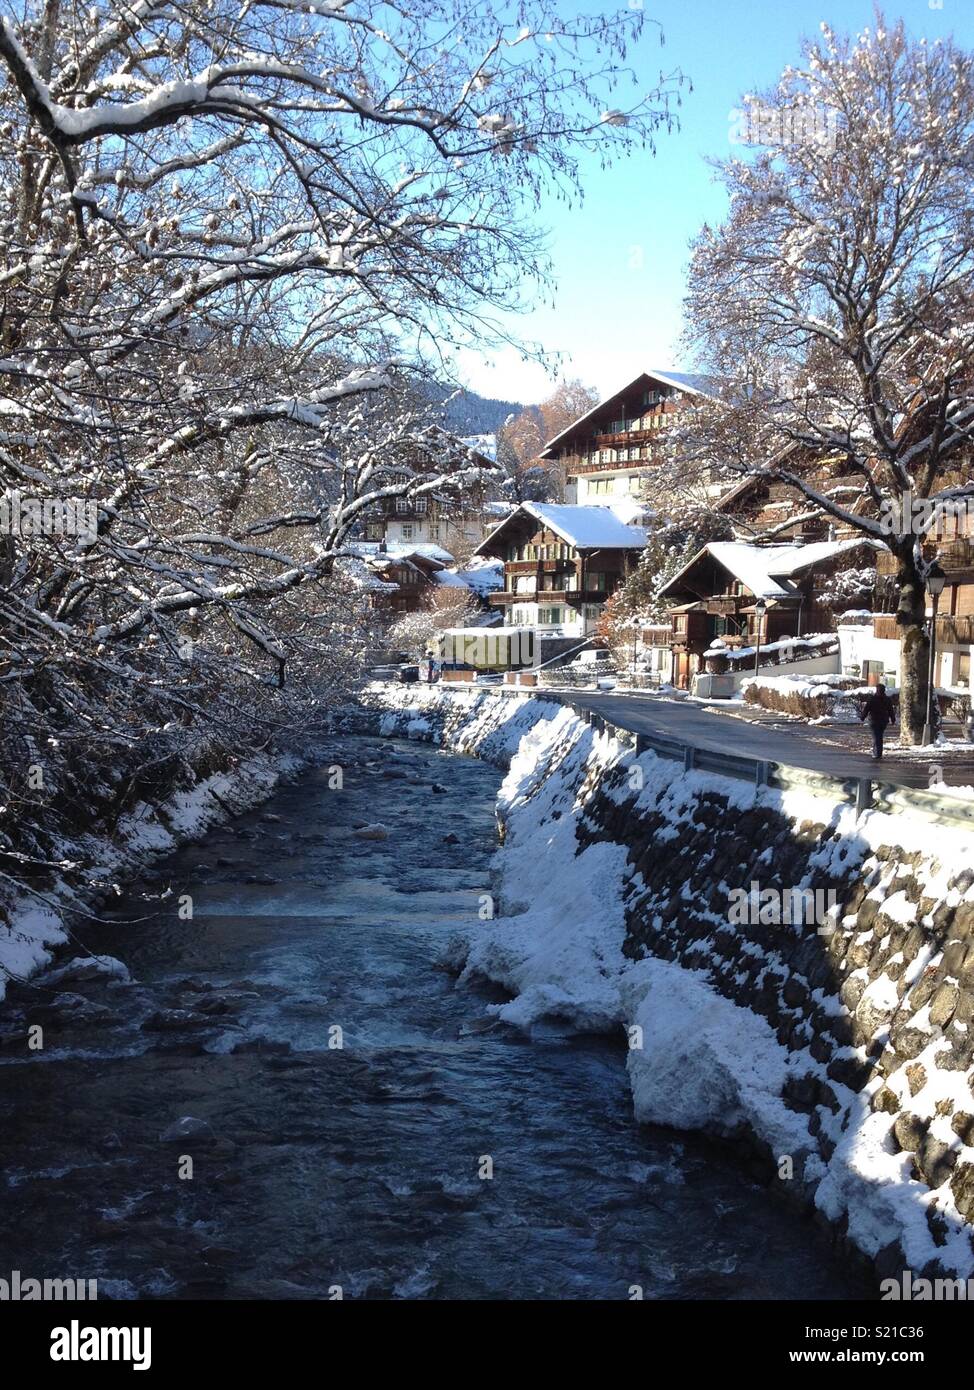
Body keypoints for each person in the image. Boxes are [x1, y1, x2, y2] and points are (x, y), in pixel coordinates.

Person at [860, 683, 897, 760]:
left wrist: (863, 717)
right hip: (883, 720)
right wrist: (892, 719)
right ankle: (878, 752)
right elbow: (891, 710)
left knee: (876, 736)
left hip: (874, 720)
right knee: (879, 736)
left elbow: (867, 709)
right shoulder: (887, 699)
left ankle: (877, 753)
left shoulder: (872, 699)